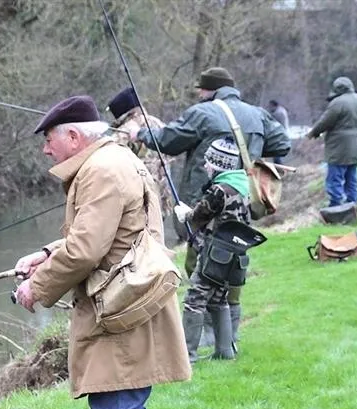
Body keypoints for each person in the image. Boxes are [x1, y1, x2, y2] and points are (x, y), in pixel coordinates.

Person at [13, 95, 191, 409]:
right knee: (128, 404)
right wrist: (45, 254)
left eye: (49, 140)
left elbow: (87, 248)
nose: (45, 149)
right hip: (129, 298)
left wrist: (36, 287)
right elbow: (111, 234)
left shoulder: (100, 170)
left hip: (118, 307)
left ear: (74, 136)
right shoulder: (115, 159)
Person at [129, 66, 265, 348]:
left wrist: (140, 133)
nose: (199, 93)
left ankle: (196, 346)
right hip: (243, 200)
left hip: (205, 208)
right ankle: (227, 344)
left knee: (201, 274)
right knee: (231, 277)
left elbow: (165, 141)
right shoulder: (257, 114)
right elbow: (280, 142)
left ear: (210, 89)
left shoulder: (202, 113)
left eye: (201, 88)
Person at [173, 137, 250, 363]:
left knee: (194, 300)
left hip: (215, 255)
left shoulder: (220, 189)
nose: (205, 165)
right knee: (218, 299)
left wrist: (184, 214)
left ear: (218, 164)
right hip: (234, 256)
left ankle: (187, 356)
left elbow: (199, 215)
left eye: (208, 161)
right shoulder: (242, 186)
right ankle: (225, 352)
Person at [106, 87, 175, 216]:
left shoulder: (125, 130)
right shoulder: (159, 124)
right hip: (162, 195)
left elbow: (106, 160)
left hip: (139, 199)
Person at [306, 76, 357, 207]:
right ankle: (353, 205)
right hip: (356, 146)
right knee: (352, 177)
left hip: (338, 147)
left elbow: (325, 121)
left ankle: (335, 206)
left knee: (335, 177)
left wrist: (313, 133)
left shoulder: (337, 103)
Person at [267, 99, 290, 165]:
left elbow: (273, 122)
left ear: (274, 105)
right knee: (276, 153)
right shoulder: (281, 110)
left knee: (276, 154)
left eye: (270, 106)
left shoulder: (278, 113)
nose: (269, 107)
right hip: (281, 133)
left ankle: (280, 169)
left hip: (279, 134)